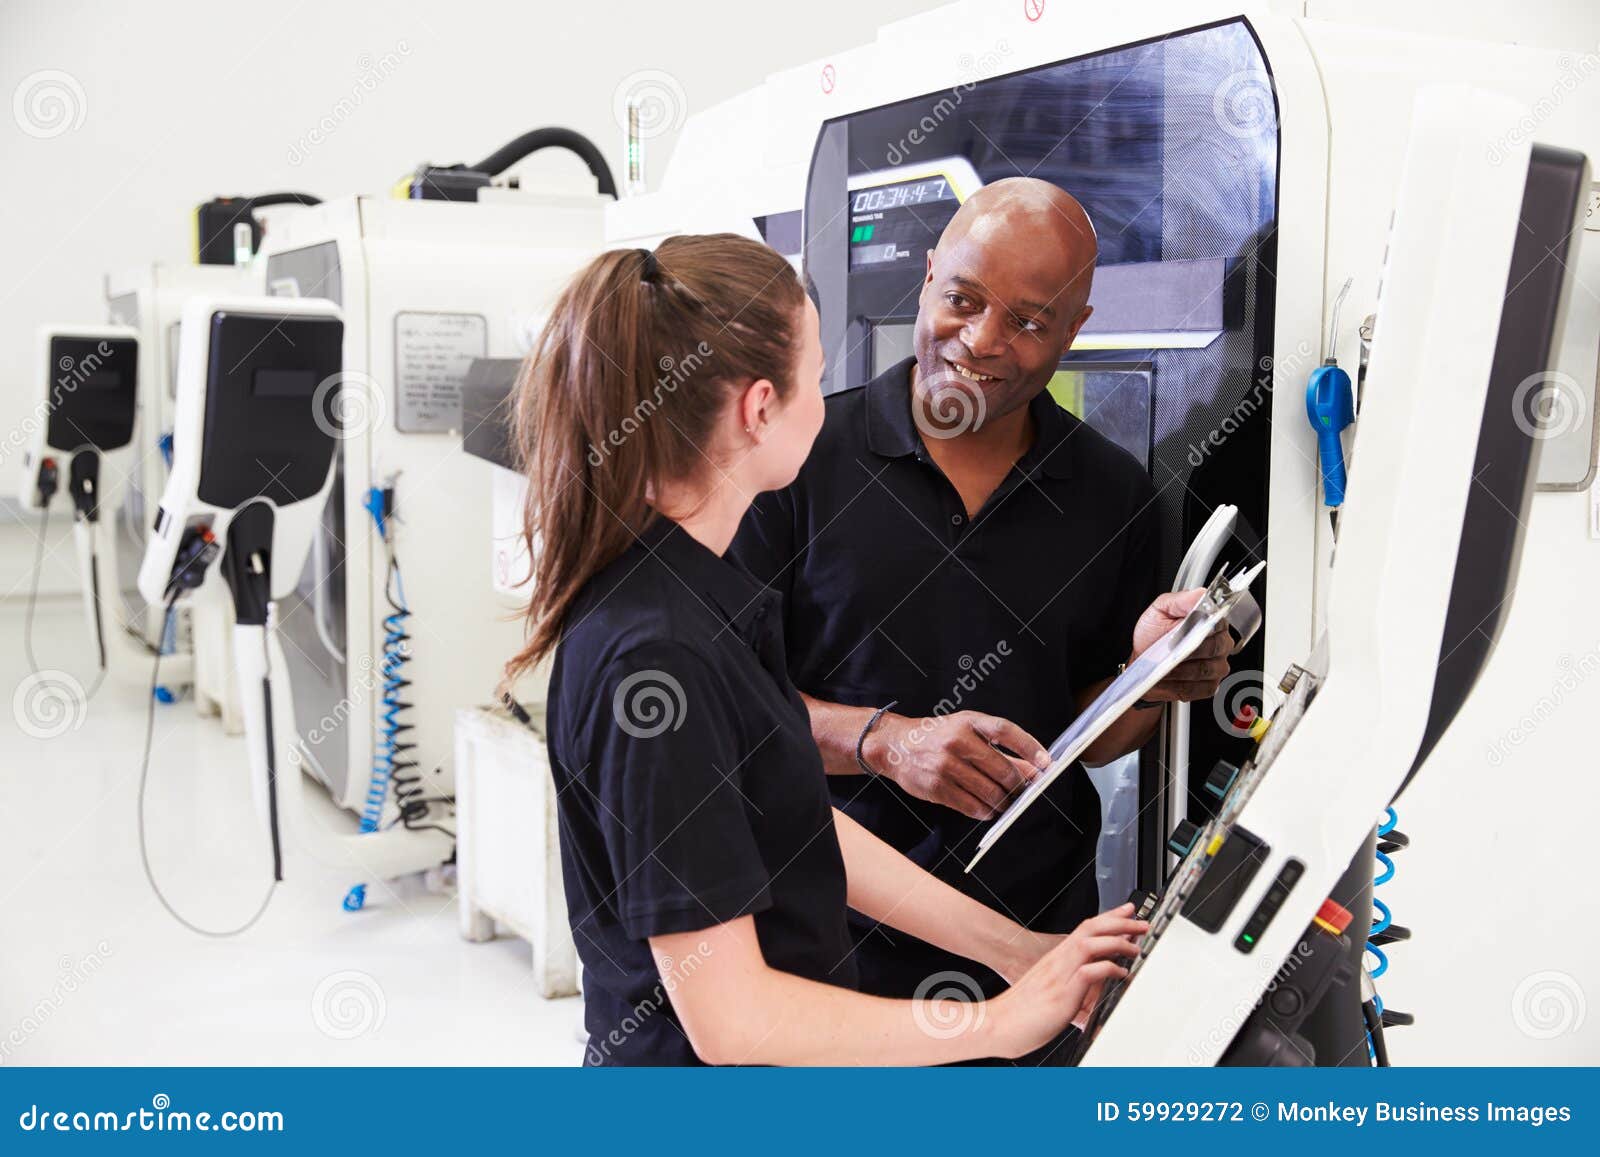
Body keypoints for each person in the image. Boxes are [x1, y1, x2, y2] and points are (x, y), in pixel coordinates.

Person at [505, 233, 1146, 1066]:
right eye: (814, 372)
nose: (831, 392)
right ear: (760, 407)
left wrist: (1014, 951)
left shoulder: (706, 602)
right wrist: (997, 1021)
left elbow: (797, 826)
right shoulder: (658, 660)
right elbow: (731, 1017)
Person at [730, 178, 1231, 1002]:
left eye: (1031, 322)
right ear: (928, 277)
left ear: (1075, 331)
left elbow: (1091, 732)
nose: (984, 340)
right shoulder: (798, 465)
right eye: (963, 298)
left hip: (1034, 952)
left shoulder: (1113, 497)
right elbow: (730, 717)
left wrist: (1151, 679)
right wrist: (885, 742)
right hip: (826, 948)